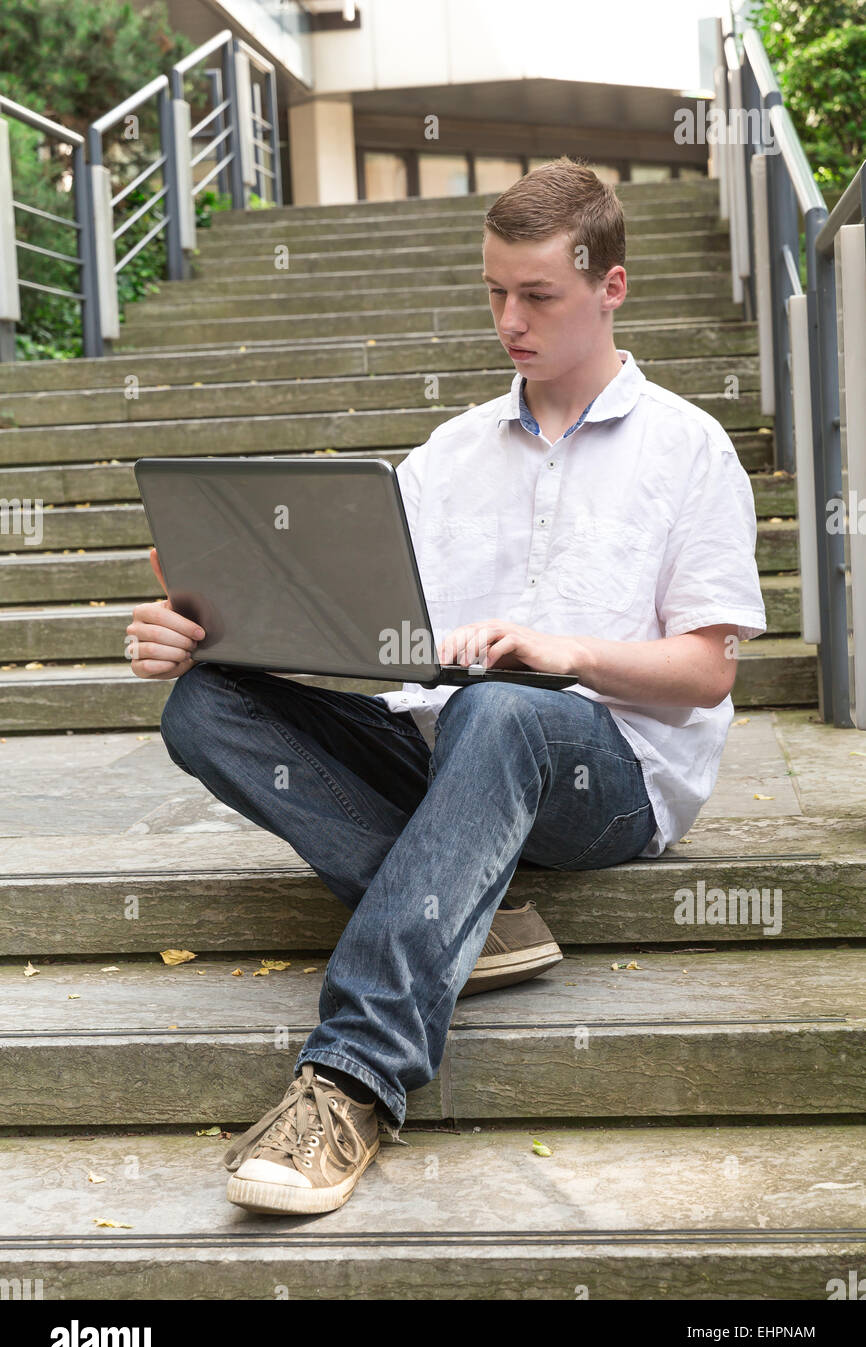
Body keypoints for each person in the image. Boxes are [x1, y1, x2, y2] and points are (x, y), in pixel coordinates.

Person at [127, 157, 766, 1217]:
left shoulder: (687, 449)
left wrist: (560, 654)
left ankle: (348, 1079)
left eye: (538, 296)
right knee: (207, 704)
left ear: (609, 286)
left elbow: (705, 671)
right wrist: (215, 625)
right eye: (493, 292)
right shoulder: (447, 455)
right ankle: (481, 917)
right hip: (439, 749)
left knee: (502, 704)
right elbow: (371, 632)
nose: (509, 320)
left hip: (604, 777)